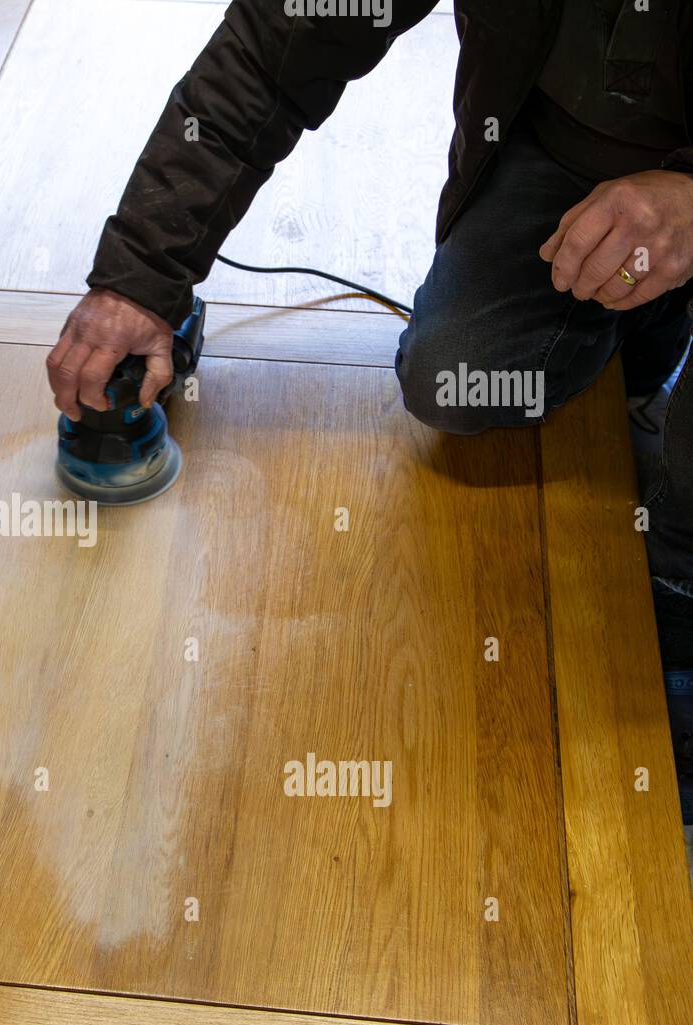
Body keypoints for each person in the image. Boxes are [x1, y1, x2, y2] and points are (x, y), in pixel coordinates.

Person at [47, 1, 693, 819]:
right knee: (457, 377)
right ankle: (645, 316)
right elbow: (273, 49)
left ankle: (677, 590)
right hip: (564, 145)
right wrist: (140, 275)